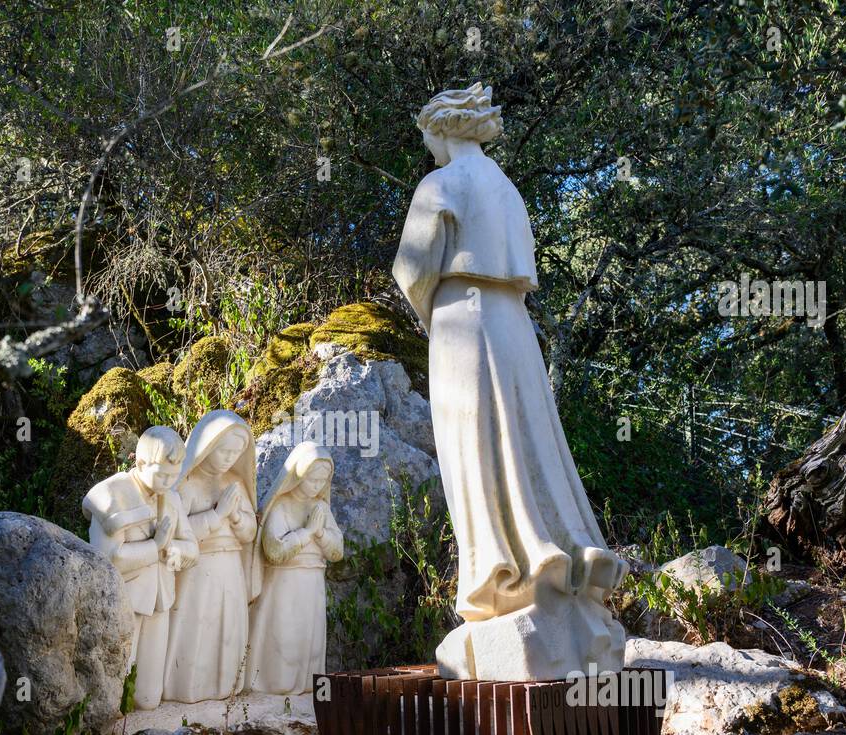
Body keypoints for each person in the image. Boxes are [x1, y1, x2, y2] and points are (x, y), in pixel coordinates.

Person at [392, 83, 627, 678]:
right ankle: (554, 559)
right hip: (513, 325)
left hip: (461, 322)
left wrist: (430, 313)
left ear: (441, 128)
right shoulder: (506, 187)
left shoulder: (438, 186)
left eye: (425, 135)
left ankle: (498, 573)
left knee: (476, 450)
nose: (425, 146)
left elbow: (413, 270)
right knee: (528, 443)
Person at [82, 426, 197, 710]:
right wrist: (155, 546)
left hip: (160, 601)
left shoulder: (171, 498)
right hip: (124, 601)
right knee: (114, 689)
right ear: (141, 463)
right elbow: (108, 559)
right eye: (162, 474)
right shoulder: (112, 495)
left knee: (147, 697)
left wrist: (175, 552)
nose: (169, 482)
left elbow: (192, 547)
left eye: (175, 474)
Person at [164, 410, 260, 702]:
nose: (230, 457)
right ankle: (187, 687)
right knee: (196, 624)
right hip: (198, 569)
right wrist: (217, 515)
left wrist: (237, 520)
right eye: (224, 450)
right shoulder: (187, 484)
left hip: (230, 565)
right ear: (207, 445)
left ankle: (223, 685)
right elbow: (177, 532)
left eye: (236, 452)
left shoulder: (236, 484)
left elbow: (250, 532)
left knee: (228, 625)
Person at [245, 442, 344, 694]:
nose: (317, 486)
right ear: (298, 474)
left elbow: (337, 551)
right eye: (313, 479)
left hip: (312, 583)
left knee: (309, 641)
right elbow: (275, 551)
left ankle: (306, 688)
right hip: (284, 584)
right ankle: (275, 688)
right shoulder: (281, 506)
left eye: (323, 480)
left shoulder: (321, 507)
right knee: (283, 637)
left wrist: (320, 533)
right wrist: (307, 532)